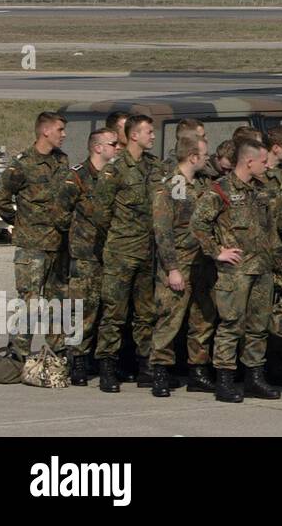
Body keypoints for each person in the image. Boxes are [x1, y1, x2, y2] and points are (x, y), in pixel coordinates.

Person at [191, 139, 282, 402]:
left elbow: (270, 230)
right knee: (231, 325)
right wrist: (216, 251)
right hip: (236, 272)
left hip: (261, 269)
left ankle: (254, 378)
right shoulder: (220, 190)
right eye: (263, 161)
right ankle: (225, 380)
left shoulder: (262, 190)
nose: (267, 166)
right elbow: (198, 224)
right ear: (249, 161)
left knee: (258, 326)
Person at [0, 111, 73, 361]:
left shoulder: (62, 161)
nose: (64, 134)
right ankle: (18, 353)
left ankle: (58, 351)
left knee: (57, 300)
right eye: (60, 130)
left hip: (58, 244)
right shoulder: (22, 165)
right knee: (29, 301)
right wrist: (19, 222)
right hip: (32, 246)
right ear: (45, 131)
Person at [148, 134, 219, 396]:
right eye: (204, 153)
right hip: (179, 262)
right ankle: (160, 371)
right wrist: (172, 269)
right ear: (193, 156)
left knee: (203, 318)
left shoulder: (203, 184)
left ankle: (198, 371)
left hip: (203, 263)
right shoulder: (168, 187)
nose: (208, 158)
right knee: (169, 319)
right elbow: (162, 231)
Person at [93, 114, 159, 391]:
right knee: (114, 313)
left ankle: (145, 365)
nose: (153, 136)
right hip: (121, 252)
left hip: (147, 252)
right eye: (148, 132)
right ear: (134, 135)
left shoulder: (154, 167)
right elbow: (101, 213)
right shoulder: (115, 170)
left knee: (145, 313)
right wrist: (121, 236)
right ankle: (108, 366)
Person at [63, 128, 118, 384]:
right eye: (112, 143)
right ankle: (77, 360)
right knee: (81, 310)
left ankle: (104, 361)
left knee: (108, 311)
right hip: (85, 255)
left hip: (110, 254)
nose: (118, 147)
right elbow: (60, 213)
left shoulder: (114, 176)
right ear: (98, 147)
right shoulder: (78, 177)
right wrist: (77, 238)